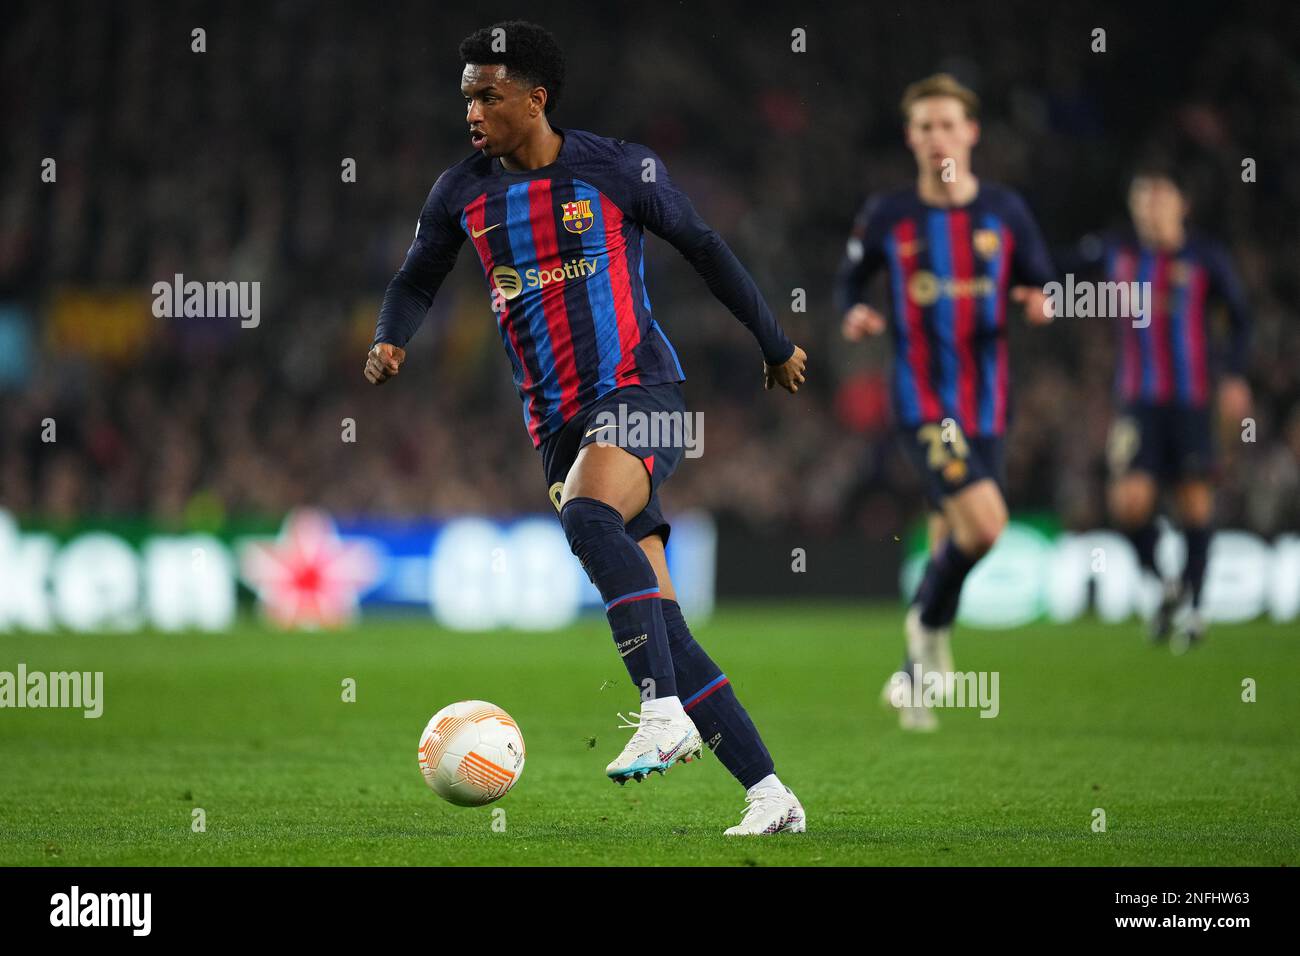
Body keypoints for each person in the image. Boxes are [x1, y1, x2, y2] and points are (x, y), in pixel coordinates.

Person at [367, 21, 808, 834]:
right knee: (665, 622)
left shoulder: (617, 168)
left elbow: (704, 247)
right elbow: (416, 276)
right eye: (466, 96)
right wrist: (392, 338)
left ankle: (661, 709)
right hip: (556, 426)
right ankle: (771, 796)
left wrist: (774, 344)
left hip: (639, 391)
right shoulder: (460, 193)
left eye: (487, 96)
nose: (471, 111)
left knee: (587, 513)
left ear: (535, 99)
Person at [834, 74, 1054, 729]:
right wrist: (854, 314)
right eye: (925, 126)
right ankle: (926, 628)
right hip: (923, 401)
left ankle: (914, 680)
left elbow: (1041, 278)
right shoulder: (889, 214)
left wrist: (1038, 300)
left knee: (949, 537)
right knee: (986, 526)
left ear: (971, 132)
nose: (937, 137)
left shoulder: (1006, 213)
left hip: (988, 407)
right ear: (911, 137)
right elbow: (849, 281)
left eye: (948, 124)